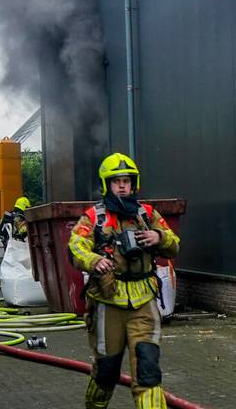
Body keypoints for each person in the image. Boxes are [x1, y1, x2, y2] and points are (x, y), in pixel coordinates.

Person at [68, 153, 180, 409]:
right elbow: (75, 246)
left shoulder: (148, 215)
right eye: (116, 181)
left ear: (133, 184)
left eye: (126, 181)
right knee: (107, 371)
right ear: (107, 184)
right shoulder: (94, 217)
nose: (122, 185)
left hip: (144, 302)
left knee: (148, 369)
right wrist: (94, 260)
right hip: (108, 302)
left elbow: (174, 244)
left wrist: (159, 237)